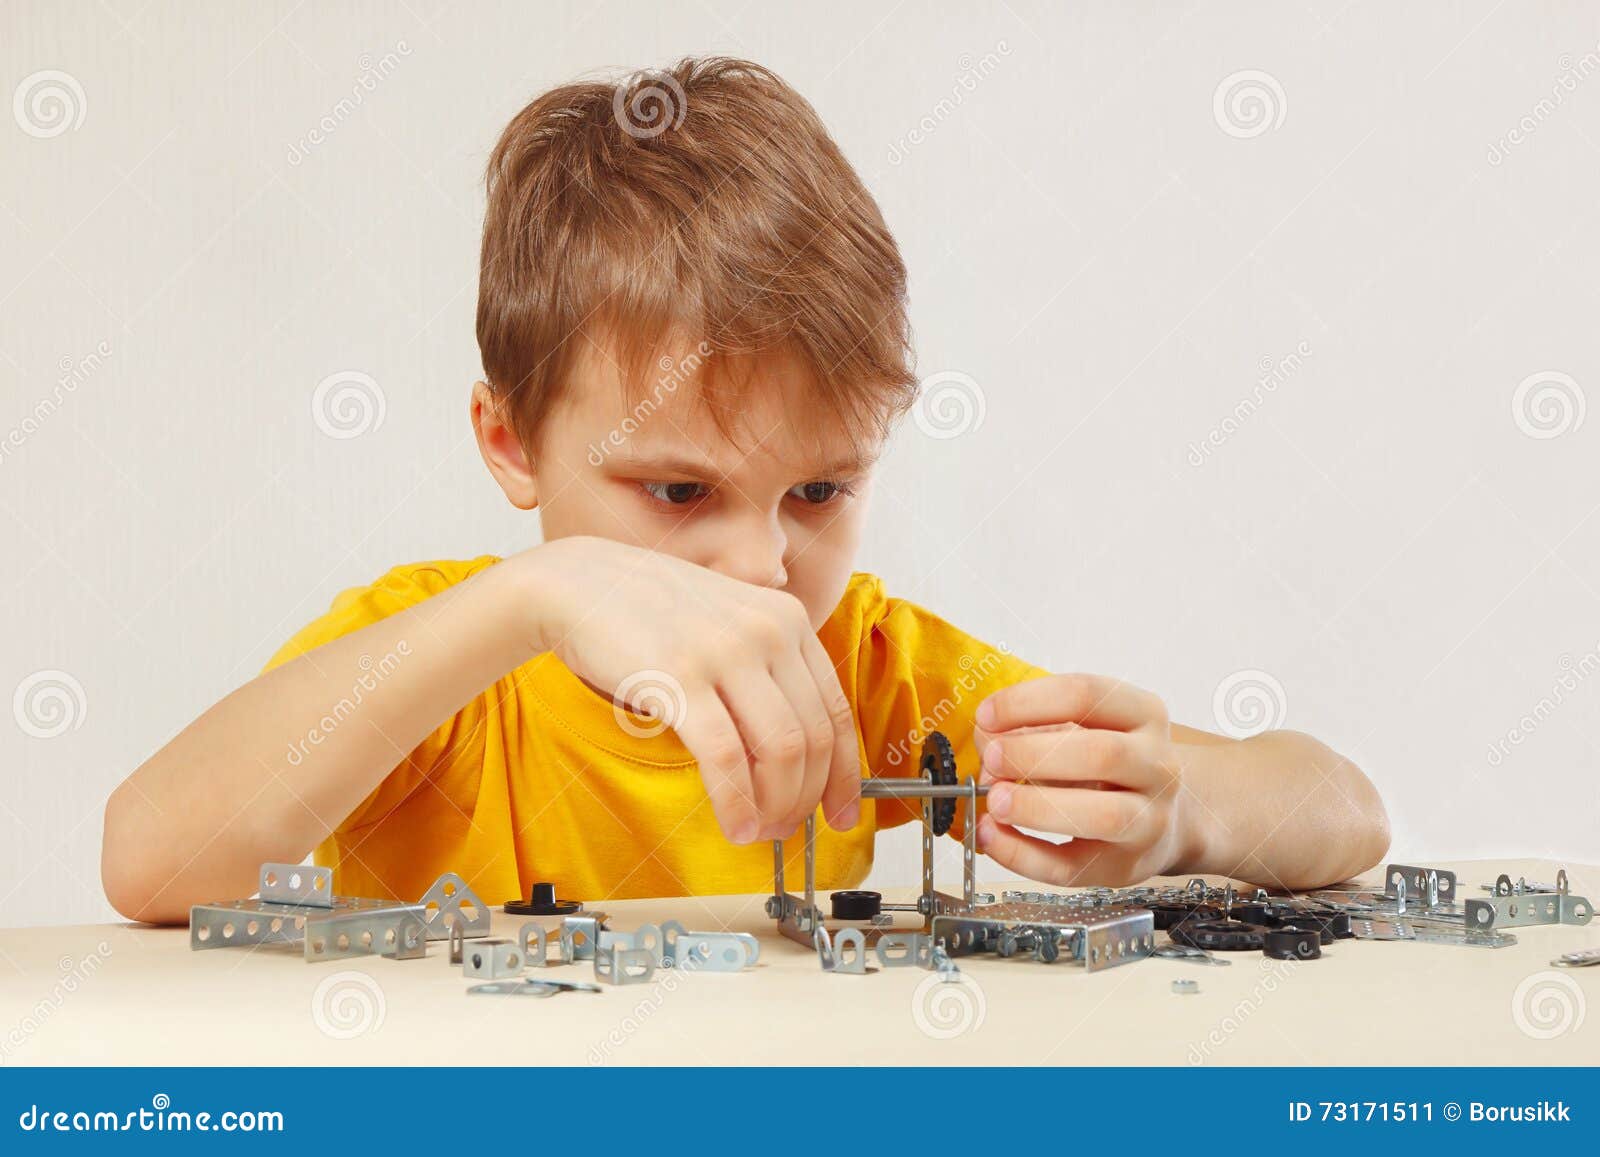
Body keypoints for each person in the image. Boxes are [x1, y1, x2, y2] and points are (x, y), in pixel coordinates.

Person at [101, 58, 1388, 924]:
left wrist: (1174, 814)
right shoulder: (447, 666)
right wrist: (535, 597)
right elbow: (147, 860)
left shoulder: (869, 672)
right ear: (509, 442)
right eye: (676, 489)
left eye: (819, 488)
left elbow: (1340, 808)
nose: (761, 568)